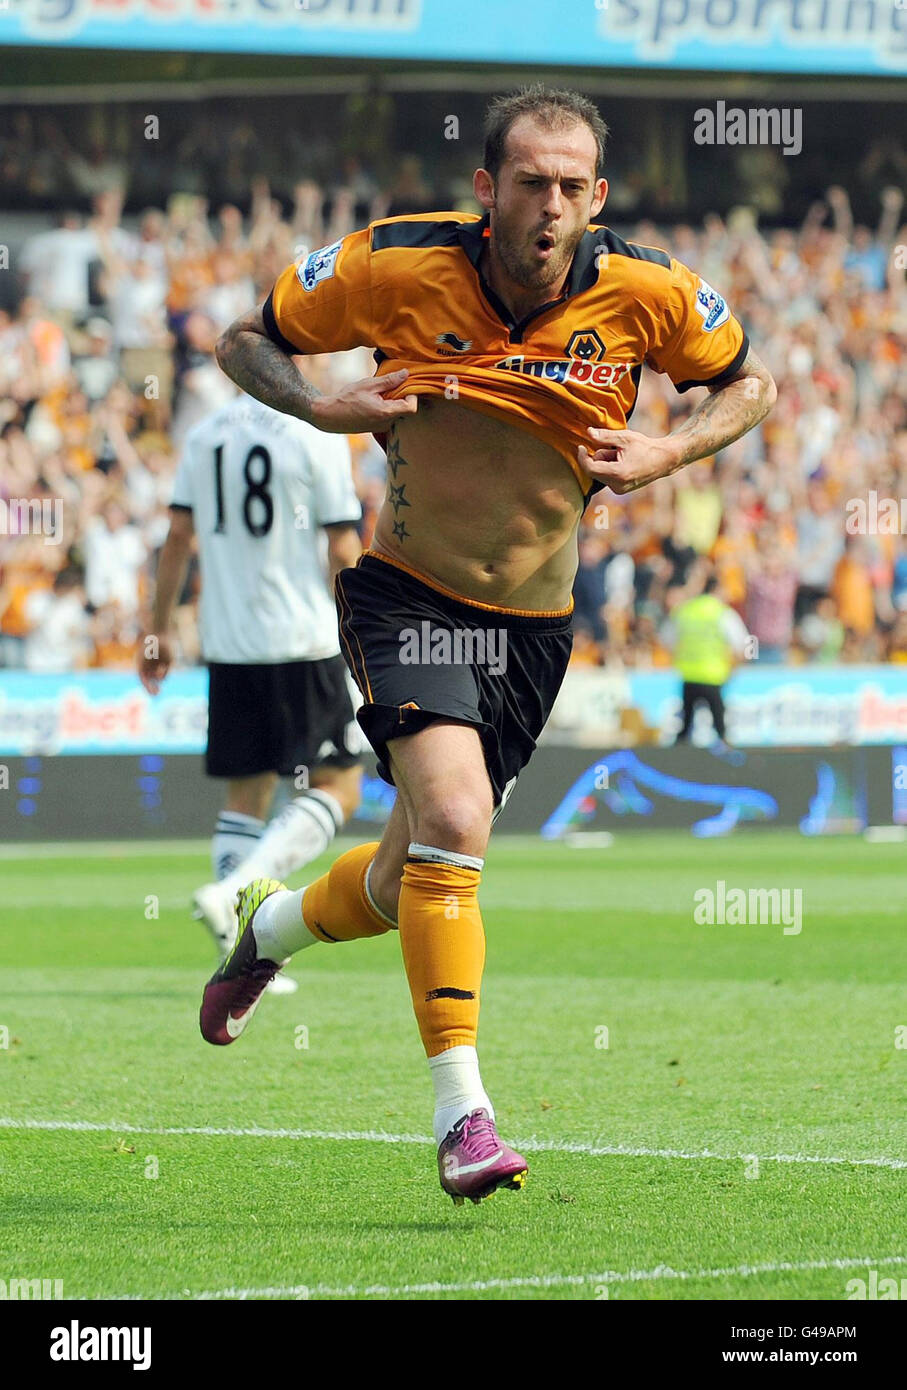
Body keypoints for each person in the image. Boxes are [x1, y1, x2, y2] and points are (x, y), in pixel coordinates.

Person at [204, 84, 776, 1204]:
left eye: (572, 186)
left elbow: (746, 383)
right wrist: (324, 407)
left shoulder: (650, 294)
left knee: (401, 869)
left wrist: (670, 450)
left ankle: (264, 930)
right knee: (457, 823)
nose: (549, 205)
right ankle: (462, 1114)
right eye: (529, 183)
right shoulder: (390, 266)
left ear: (597, 196)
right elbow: (243, 341)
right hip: (404, 594)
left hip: (533, 631)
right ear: (487, 189)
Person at [138, 392, 365, 995]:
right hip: (301, 638)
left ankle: (237, 958)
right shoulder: (316, 433)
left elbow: (178, 536)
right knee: (340, 785)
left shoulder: (205, 433)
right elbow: (343, 547)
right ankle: (236, 891)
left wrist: (158, 628)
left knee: (247, 792)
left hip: (229, 640)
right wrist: (370, 631)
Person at [665, 573, 751, 745]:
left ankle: (674, 763)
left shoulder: (685, 610)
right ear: (716, 589)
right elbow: (746, 643)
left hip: (688, 675)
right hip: (714, 675)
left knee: (685, 726)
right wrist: (741, 663)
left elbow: (667, 639)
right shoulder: (722, 613)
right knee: (720, 726)